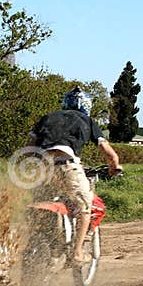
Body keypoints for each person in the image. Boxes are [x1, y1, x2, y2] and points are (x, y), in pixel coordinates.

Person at [29, 87, 122, 263]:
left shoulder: (47, 118)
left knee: (39, 205)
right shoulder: (87, 120)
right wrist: (114, 166)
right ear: (86, 106)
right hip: (67, 166)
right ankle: (77, 252)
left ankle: (34, 242)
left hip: (42, 168)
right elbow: (107, 150)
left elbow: (28, 147)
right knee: (84, 207)